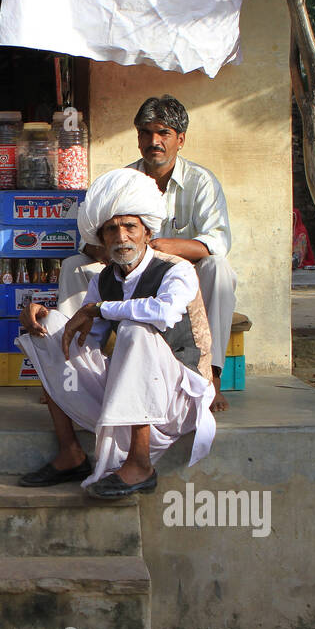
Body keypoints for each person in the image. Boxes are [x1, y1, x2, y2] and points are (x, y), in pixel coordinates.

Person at [16, 168, 217, 500]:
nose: (121, 237)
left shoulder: (176, 270)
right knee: (50, 334)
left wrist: (100, 309)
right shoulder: (106, 278)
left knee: (136, 332)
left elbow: (164, 314)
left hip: (179, 397)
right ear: (102, 240)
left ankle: (140, 464)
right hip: (130, 391)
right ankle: (70, 452)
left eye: (130, 227)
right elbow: (86, 339)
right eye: (111, 230)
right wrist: (45, 317)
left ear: (147, 233)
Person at [128, 94, 237, 411]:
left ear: (180, 139)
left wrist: (165, 248)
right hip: (134, 277)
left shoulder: (201, 182)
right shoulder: (125, 180)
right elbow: (94, 238)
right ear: (138, 140)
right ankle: (67, 376)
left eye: (163, 133)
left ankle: (210, 378)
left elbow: (217, 240)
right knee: (76, 266)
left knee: (219, 268)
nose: (155, 141)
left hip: (184, 282)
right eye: (147, 133)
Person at [55, 242, 107, 318]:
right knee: (72, 263)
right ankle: (71, 320)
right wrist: (106, 252)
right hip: (104, 260)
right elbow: (86, 246)